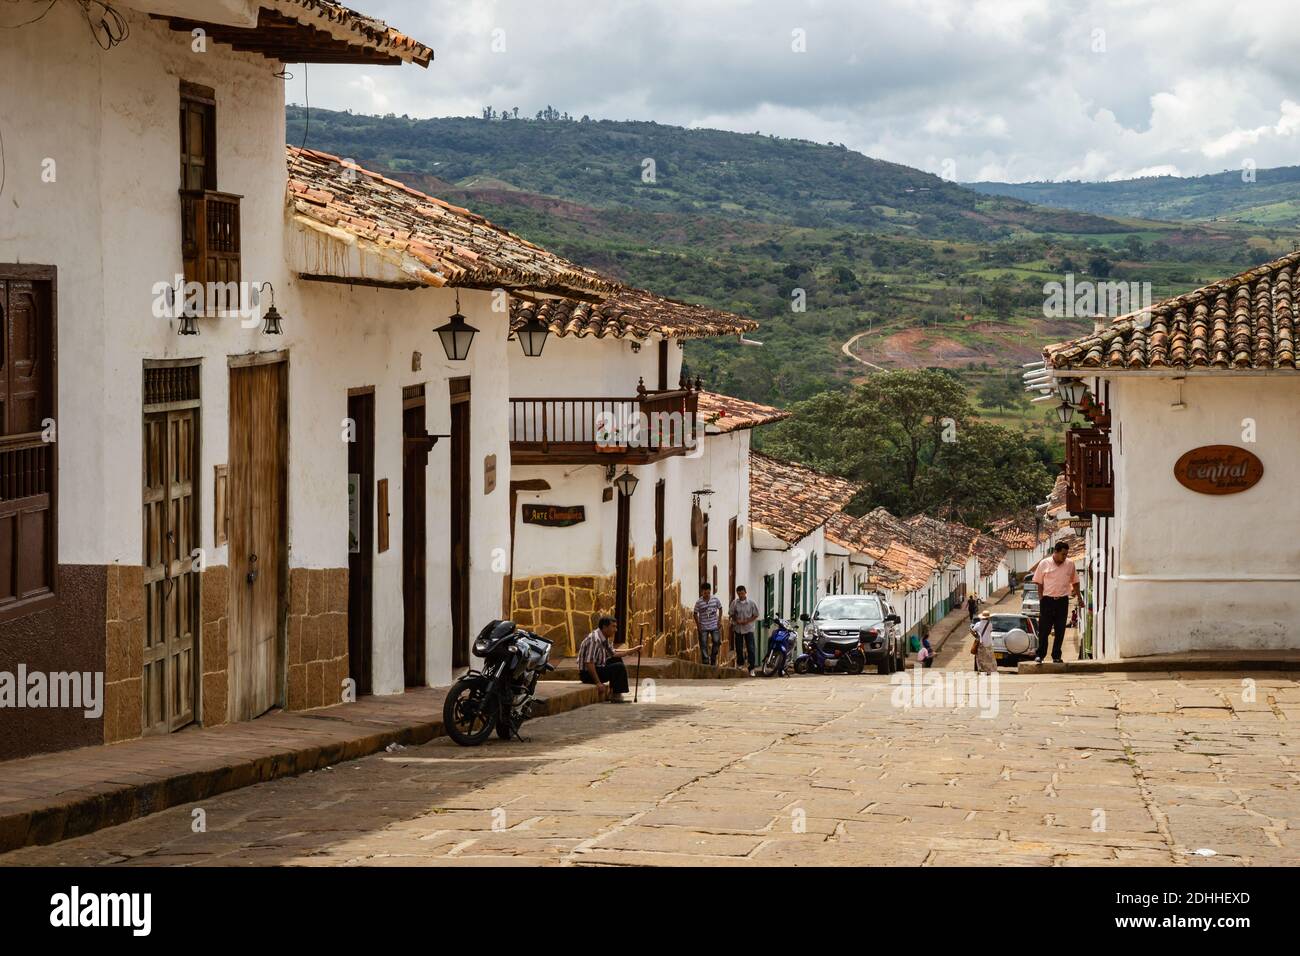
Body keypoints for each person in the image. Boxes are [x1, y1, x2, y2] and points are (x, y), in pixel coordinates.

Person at [1031, 541, 1080, 664]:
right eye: (1063, 554)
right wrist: (1041, 597)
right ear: (1056, 552)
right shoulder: (1044, 563)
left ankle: (1056, 656)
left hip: (1062, 601)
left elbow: (1075, 581)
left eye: (1066, 554)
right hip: (1047, 601)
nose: (1065, 557)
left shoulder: (1070, 564)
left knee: (1060, 630)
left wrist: (1079, 597)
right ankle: (1040, 655)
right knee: (1044, 630)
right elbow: (1039, 582)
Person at [576, 616, 643, 703]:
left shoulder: (603, 638)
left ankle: (613, 692)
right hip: (587, 674)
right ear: (604, 627)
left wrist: (634, 650)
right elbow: (589, 663)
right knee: (619, 667)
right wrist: (598, 683)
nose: (616, 630)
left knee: (616, 660)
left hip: (598, 668)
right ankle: (616, 696)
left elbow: (613, 653)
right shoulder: (594, 639)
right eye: (613, 626)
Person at [729, 585, 760, 676]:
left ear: (745, 593)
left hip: (749, 628)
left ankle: (751, 668)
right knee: (739, 648)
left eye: (742, 593)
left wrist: (747, 621)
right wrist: (736, 619)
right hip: (738, 628)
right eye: (739, 594)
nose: (741, 595)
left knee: (751, 648)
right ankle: (740, 663)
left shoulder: (751, 603)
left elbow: (756, 614)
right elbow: (731, 613)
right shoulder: (734, 603)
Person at [693, 581, 723, 666]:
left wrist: (719, 621)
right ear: (702, 592)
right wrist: (698, 625)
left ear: (710, 591)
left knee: (717, 642)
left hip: (714, 625)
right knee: (703, 644)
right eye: (705, 593)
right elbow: (695, 613)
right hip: (703, 626)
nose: (707, 594)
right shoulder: (699, 602)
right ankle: (706, 661)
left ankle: (713, 657)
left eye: (708, 593)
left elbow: (720, 608)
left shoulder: (715, 599)